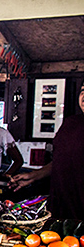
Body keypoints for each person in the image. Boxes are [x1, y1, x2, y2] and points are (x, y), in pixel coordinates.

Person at [10, 83, 84, 219]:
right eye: (82, 91)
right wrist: (34, 175)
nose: (83, 96)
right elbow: (61, 160)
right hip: (61, 207)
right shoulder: (70, 124)